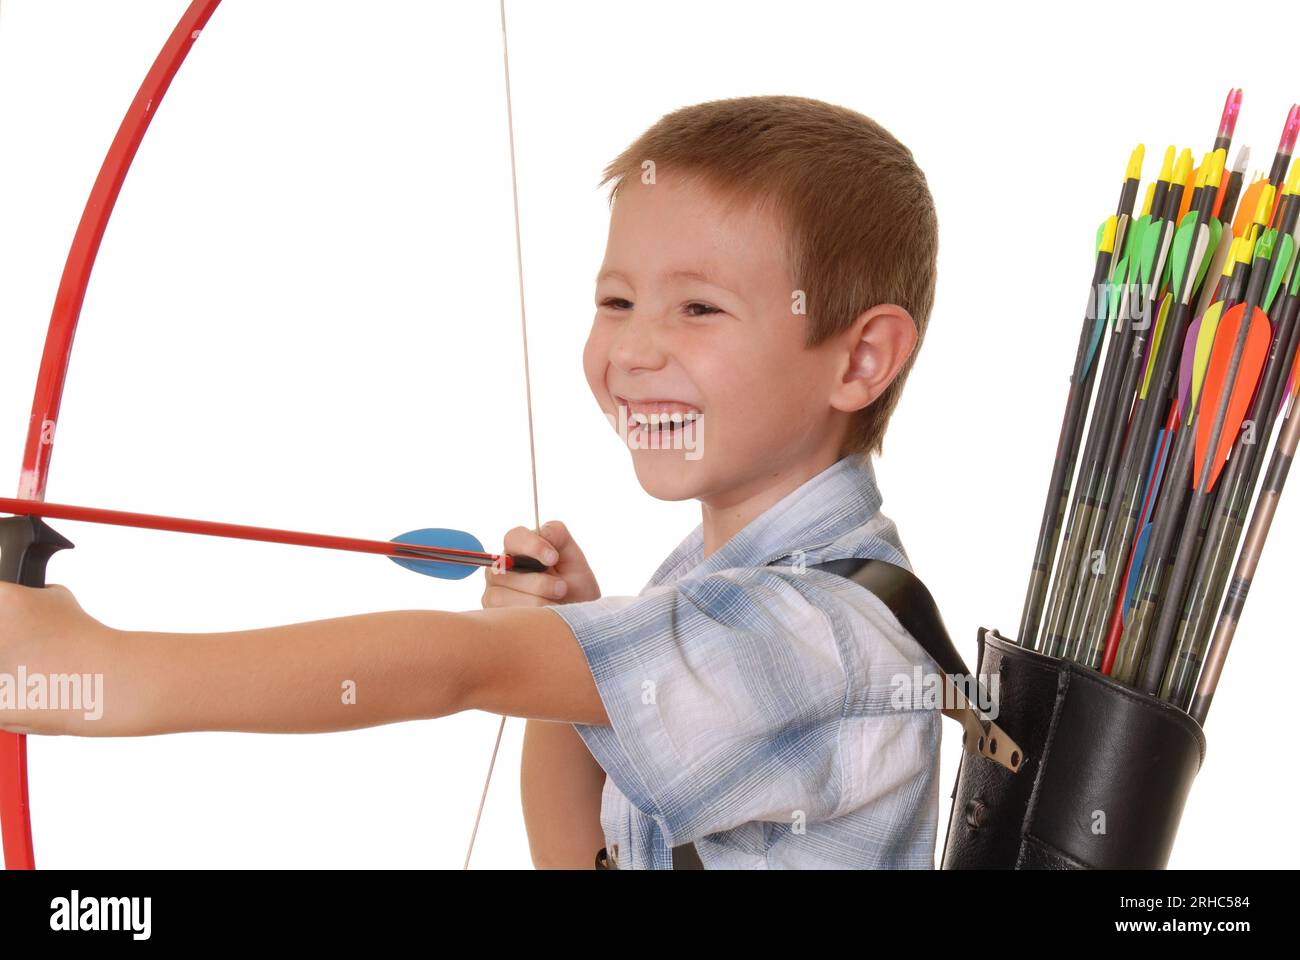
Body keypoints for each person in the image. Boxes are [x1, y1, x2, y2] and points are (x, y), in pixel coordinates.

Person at [0, 95, 942, 869]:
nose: (635, 348)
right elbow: (574, 859)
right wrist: (557, 656)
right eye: (616, 302)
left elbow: (458, 668)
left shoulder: (827, 635)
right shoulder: (714, 586)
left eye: (699, 307)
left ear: (860, 361)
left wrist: (107, 676)